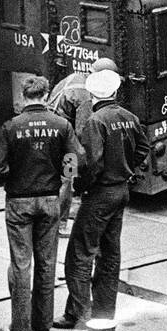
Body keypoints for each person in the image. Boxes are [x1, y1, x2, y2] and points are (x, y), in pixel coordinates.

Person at [0, 76, 82, 331]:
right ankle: (43, 323)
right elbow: (76, 157)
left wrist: (12, 175)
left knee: (20, 264)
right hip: (50, 199)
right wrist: (65, 177)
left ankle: (20, 328)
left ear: (23, 96)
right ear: (46, 94)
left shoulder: (11, 127)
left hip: (19, 201)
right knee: (47, 261)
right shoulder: (61, 125)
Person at [56, 69, 150, 328]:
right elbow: (144, 148)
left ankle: (77, 313)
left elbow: (91, 162)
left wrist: (81, 187)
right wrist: (128, 169)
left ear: (92, 94)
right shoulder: (129, 117)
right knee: (110, 254)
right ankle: (104, 314)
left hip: (99, 194)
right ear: (115, 92)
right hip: (121, 191)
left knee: (79, 254)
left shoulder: (95, 122)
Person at [48, 57, 119, 239]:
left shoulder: (74, 78)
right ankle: (61, 224)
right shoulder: (87, 94)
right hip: (63, 140)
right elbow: (81, 132)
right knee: (67, 178)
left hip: (51, 130)